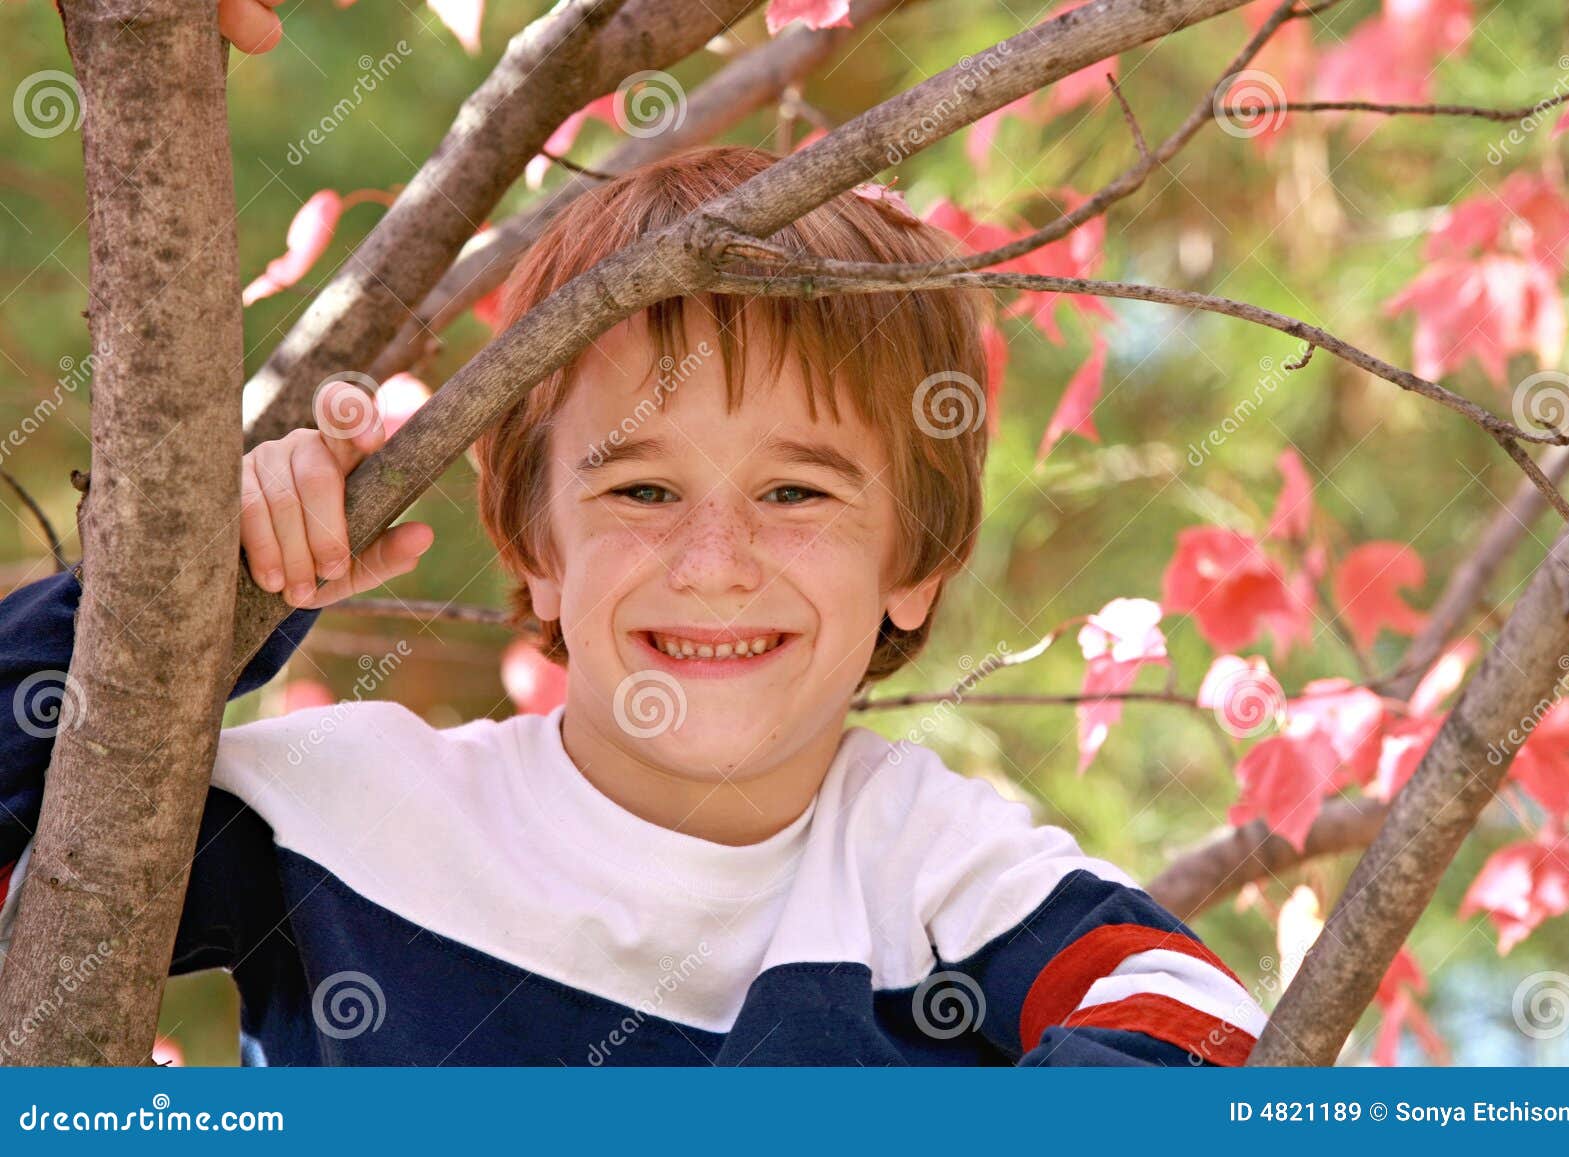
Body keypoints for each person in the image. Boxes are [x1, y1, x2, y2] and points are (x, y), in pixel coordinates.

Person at [0, 44, 1266, 1070]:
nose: (713, 562)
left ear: (915, 561)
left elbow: (1201, 1026)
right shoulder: (349, 812)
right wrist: (196, 598)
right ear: (534, 545)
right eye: (642, 488)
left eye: (794, 490)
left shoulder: (932, 863)